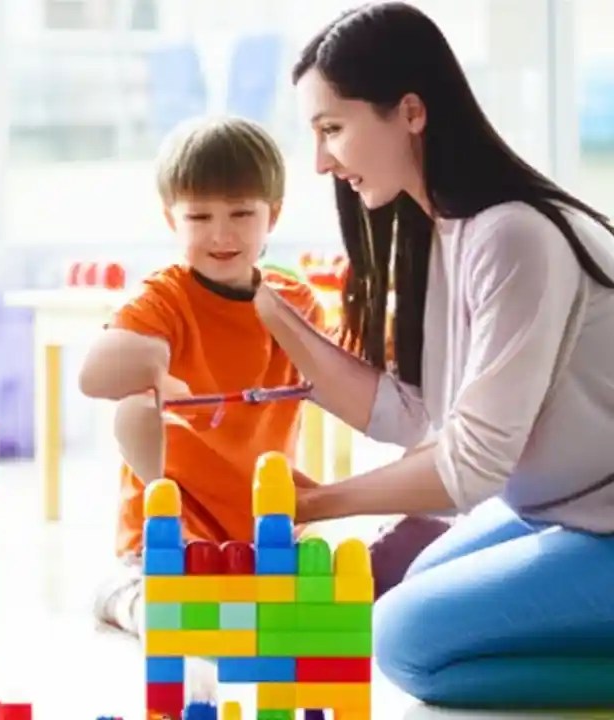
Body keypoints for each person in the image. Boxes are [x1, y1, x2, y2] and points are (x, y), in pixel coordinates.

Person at [266, 1, 614, 708]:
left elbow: (473, 464)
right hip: (560, 509)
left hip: (596, 518)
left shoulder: (514, 237)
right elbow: (414, 416)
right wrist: (271, 314)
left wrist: (324, 501)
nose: (320, 161)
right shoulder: (443, 233)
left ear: (412, 113)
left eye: (332, 129)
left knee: (405, 638)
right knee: (414, 591)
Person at [78, 116, 325, 638]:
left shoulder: (295, 302)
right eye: (200, 216)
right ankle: (132, 595)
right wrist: (155, 371)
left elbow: (350, 380)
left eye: (241, 213)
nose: (221, 233)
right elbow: (94, 375)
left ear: (272, 216)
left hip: (265, 534)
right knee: (134, 405)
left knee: (327, 591)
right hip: (169, 540)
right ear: (173, 221)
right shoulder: (166, 297)